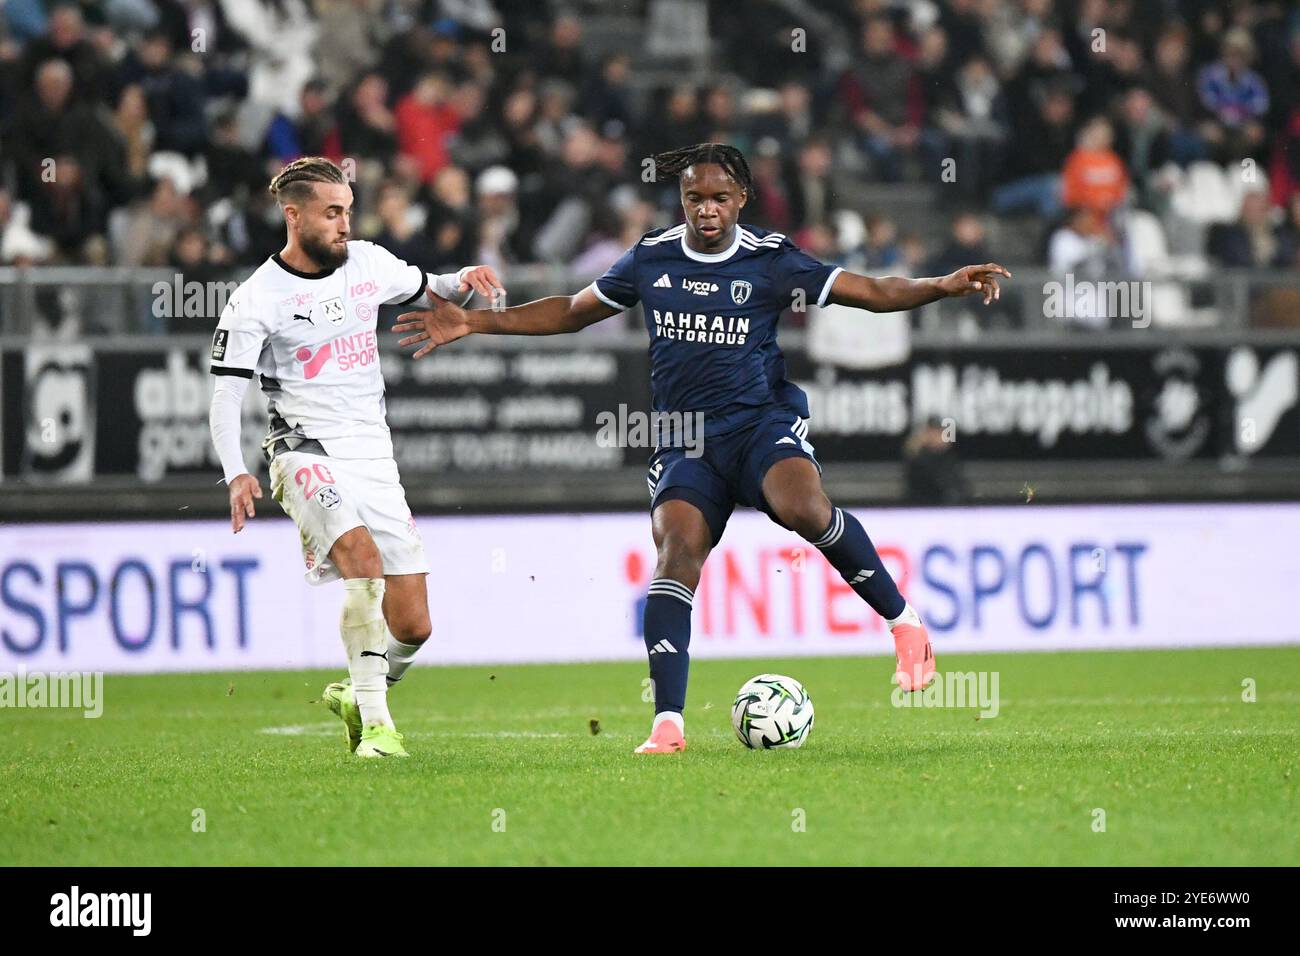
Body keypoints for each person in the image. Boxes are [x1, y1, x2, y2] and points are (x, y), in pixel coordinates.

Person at [393, 143, 1009, 755]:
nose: (706, 209)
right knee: (675, 551)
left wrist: (941, 284)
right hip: (685, 438)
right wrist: (477, 321)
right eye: (694, 198)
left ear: (740, 199)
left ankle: (904, 623)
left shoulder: (771, 260)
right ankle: (668, 724)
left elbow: (872, 292)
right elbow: (572, 312)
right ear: (681, 200)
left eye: (719, 198)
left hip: (761, 424)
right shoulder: (650, 259)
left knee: (803, 507)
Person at [206, 157, 502, 758]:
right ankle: (377, 728)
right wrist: (236, 470)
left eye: (348, 211)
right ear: (294, 216)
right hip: (302, 449)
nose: (345, 224)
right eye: (332, 213)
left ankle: (356, 691)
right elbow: (225, 393)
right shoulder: (256, 298)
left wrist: (463, 276)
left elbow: (428, 286)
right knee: (362, 563)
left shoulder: (367, 262)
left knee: (414, 626)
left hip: (373, 454)